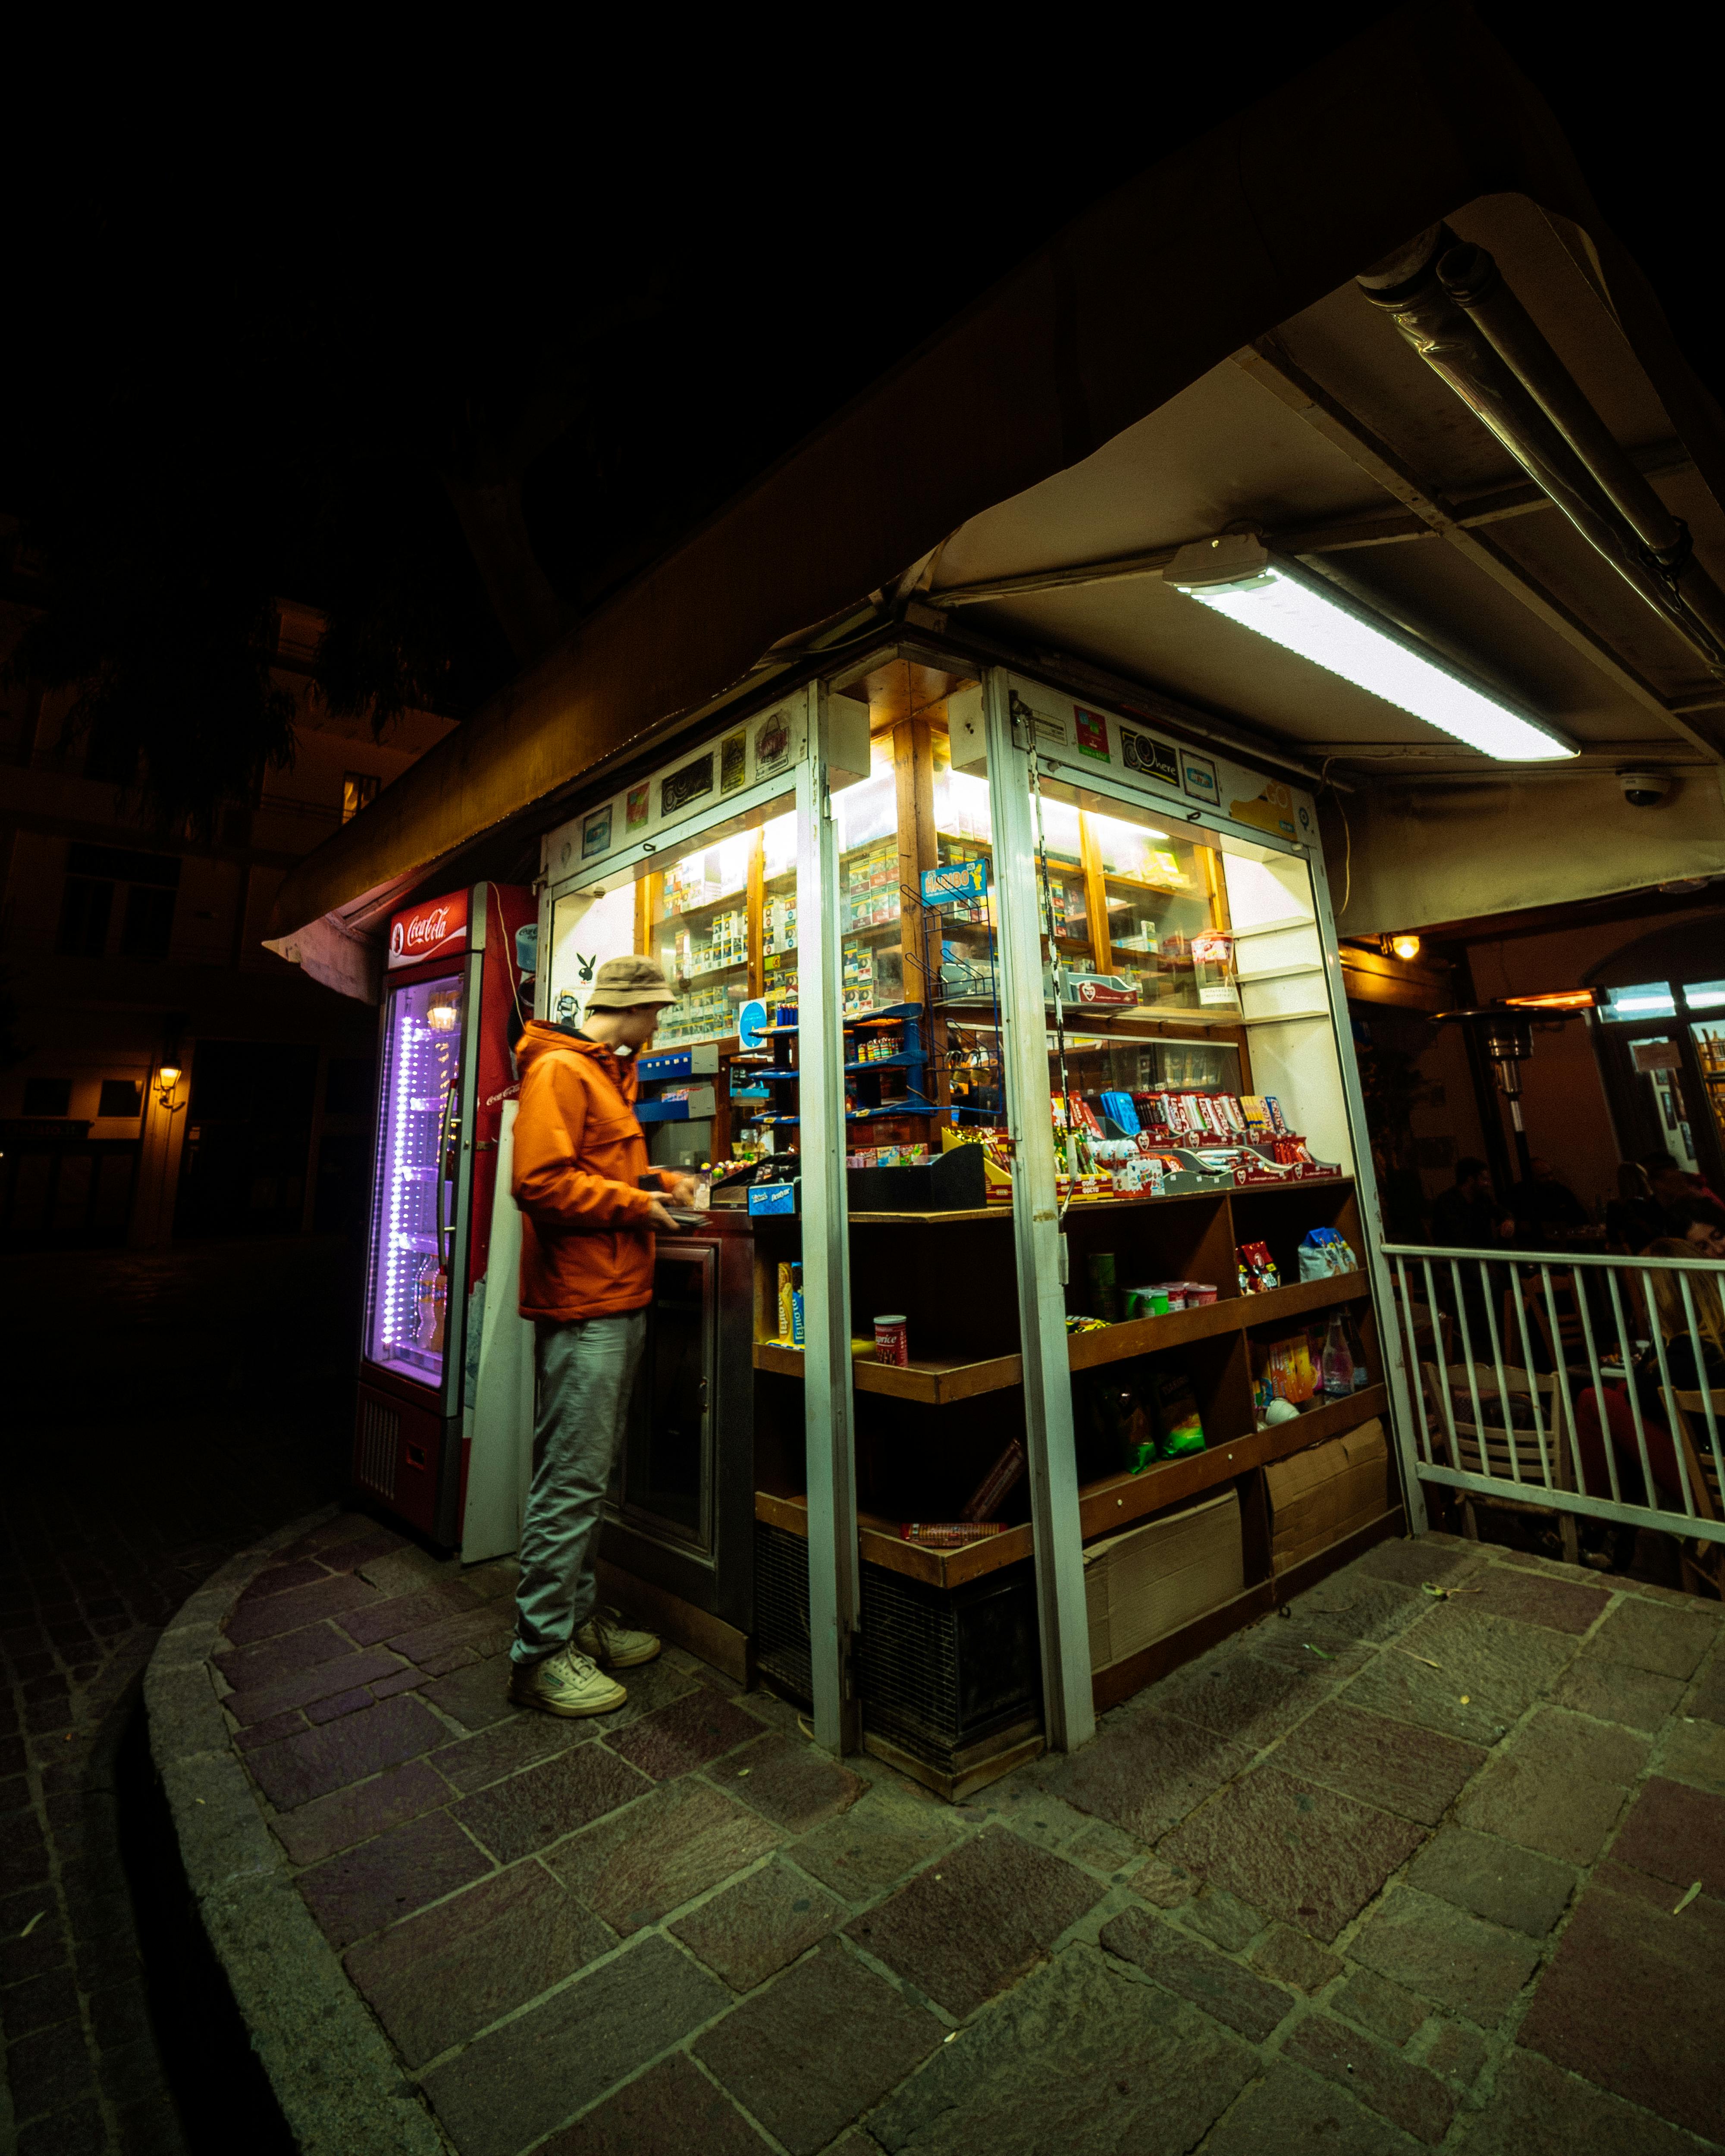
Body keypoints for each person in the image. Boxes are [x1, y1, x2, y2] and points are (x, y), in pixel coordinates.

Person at [506, 954, 699, 1718]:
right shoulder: (561, 1071)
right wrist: (634, 1206)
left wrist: (658, 1186)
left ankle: (578, 1626)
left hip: (610, 1300)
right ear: (632, 1007)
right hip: (584, 1308)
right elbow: (541, 1184)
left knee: (589, 1475)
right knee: (572, 1482)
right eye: (658, 1012)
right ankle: (539, 1655)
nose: (661, 1026)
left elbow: (590, 1170)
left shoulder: (603, 1072)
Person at [1574, 1238, 1725, 1518]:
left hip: (1714, 1487)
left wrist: (1662, 1334)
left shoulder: (1685, 1353)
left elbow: (1638, 1394)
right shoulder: (1715, 1339)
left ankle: (1601, 1525)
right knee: (1618, 1393)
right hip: (1713, 1470)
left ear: (1663, 1301)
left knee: (1595, 1400)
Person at [1430, 1159, 1515, 1250]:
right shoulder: (1447, 1202)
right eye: (1484, 1180)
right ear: (1470, 1180)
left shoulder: (1483, 1199)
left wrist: (1508, 1221)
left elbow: (1500, 1212)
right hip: (1458, 1257)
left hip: (1483, 1254)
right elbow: (1458, 1238)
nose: (1488, 1184)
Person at [1508, 1156, 1590, 1245]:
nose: (1550, 1179)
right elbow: (1517, 1224)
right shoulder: (1519, 1194)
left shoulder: (1560, 1191)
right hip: (1533, 1246)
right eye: (1543, 1176)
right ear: (1531, 1178)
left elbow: (1581, 1217)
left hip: (1568, 1243)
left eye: (1551, 1174)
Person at [1606, 1161, 1663, 1253]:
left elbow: (1614, 1239)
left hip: (1635, 1254)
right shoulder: (1655, 1202)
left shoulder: (1616, 1206)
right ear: (1644, 1179)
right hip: (1660, 1251)